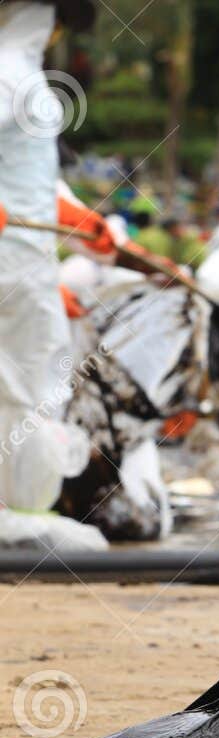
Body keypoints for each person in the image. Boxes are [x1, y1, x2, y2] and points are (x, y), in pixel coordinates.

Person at [0, 0, 99, 548]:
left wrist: (85, 221)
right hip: (13, 260)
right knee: (35, 378)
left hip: (26, 253)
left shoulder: (25, 77)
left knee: (24, 377)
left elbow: (30, 183)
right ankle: (21, 510)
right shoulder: (11, 71)